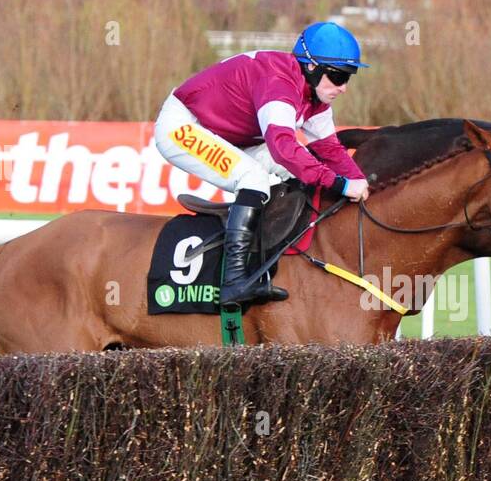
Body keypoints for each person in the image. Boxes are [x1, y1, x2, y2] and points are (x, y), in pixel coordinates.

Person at [154, 22, 371, 305]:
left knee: (297, 172)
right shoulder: (279, 84)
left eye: (348, 77)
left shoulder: (314, 96)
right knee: (255, 179)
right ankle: (233, 282)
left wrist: (363, 182)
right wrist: (341, 184)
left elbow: (330, 150)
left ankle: (274, 259)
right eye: (338, 76)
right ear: (311, 67)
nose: (343, 87)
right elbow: (283, 148)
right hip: (183, 125)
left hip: (233, 136)